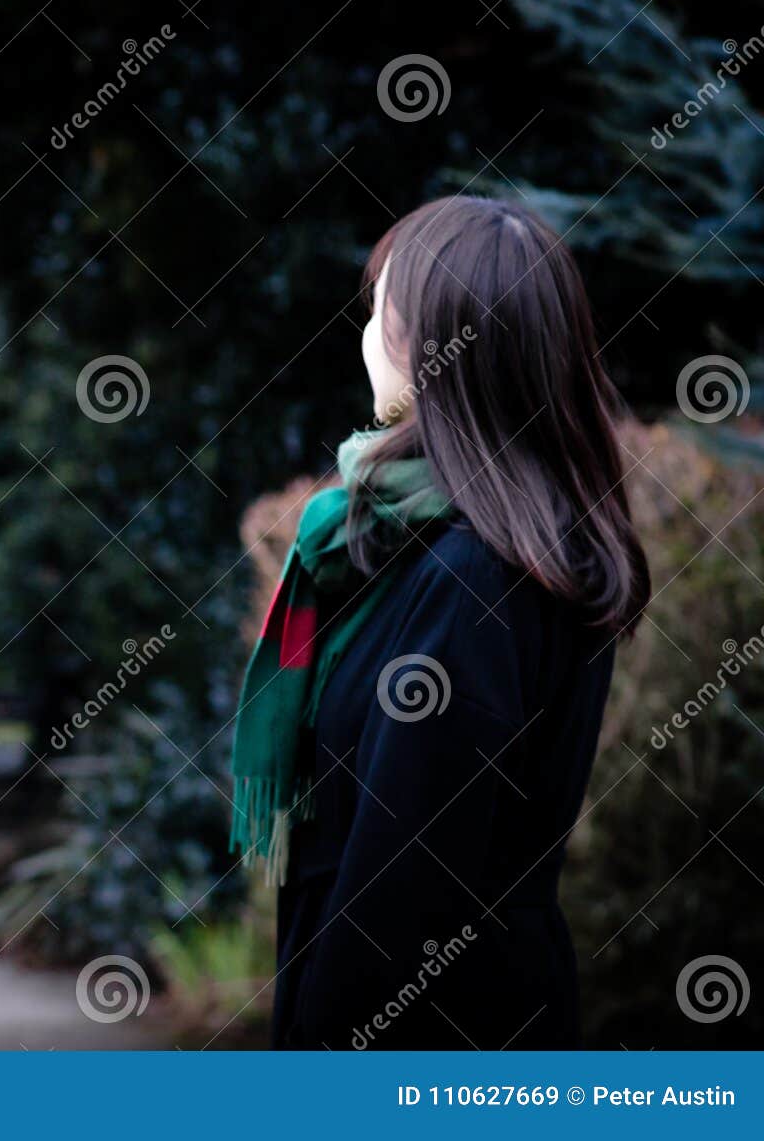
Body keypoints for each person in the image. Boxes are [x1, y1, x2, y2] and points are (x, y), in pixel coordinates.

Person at [229, 195, 649, 1049]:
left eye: (379, 309)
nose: (366, 334)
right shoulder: (482, 546)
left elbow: (403, 888)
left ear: (430, 348)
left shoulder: (472, 578)